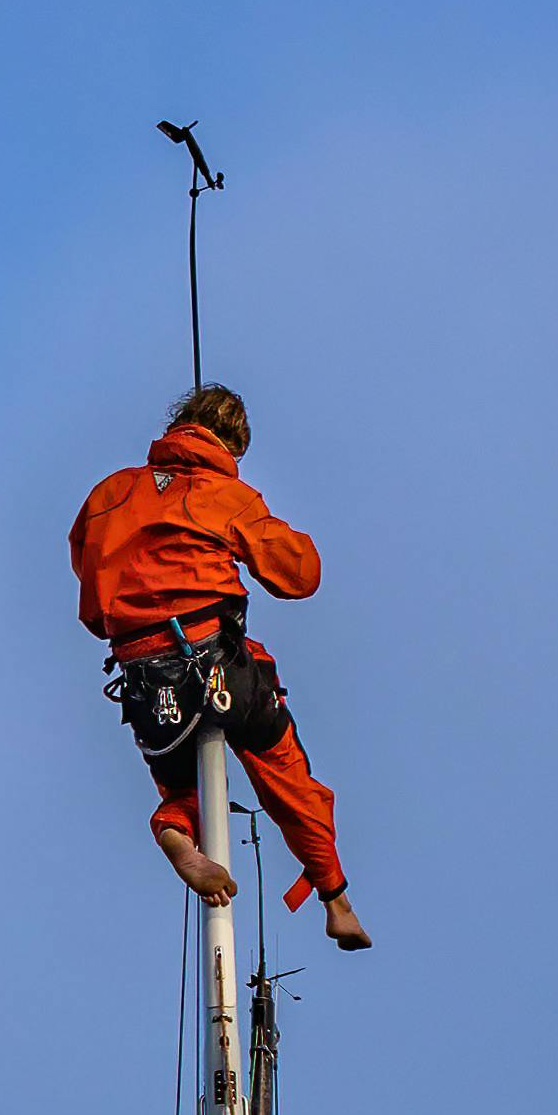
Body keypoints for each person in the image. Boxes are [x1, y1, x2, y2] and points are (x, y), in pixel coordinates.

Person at [70, 384, 369, 948]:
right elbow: (299, 576)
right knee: (286, 772)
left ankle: (178, 836)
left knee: (180, 786)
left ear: (177, 425)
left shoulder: (108, 493)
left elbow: (91, 599)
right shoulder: (226, 493)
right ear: (233, 443)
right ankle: (336, 899)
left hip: (143, 676)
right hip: (215, 662)